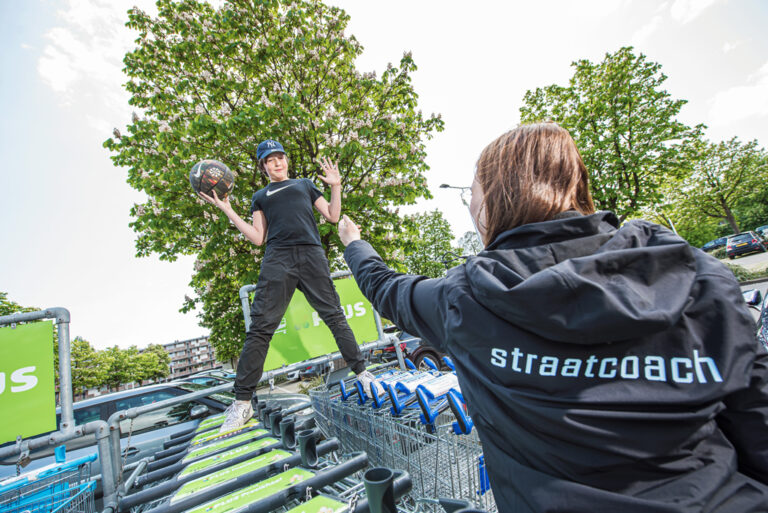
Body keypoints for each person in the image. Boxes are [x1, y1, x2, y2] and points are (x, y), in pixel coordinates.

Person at [338, 123, 768, 512]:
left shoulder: (466, 299)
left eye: (472, 190)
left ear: (494, 199)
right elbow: (755, 420)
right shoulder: (691, 271)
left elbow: (385, 288)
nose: (469, 203)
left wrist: (354, 243)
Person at [199, 139, 380, 433]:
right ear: (263, 167)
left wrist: (335, 185)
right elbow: (258, 237)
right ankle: (242, 404)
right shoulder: (261, 196)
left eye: (280, 157)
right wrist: (228, 210)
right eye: (269, 160)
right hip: (278, 258)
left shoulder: (305, 185)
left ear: (286, 161)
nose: (276, 163)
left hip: (310, 253)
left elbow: (333, 217)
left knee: (334, 315)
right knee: (260, 328)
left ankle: (363, 374)